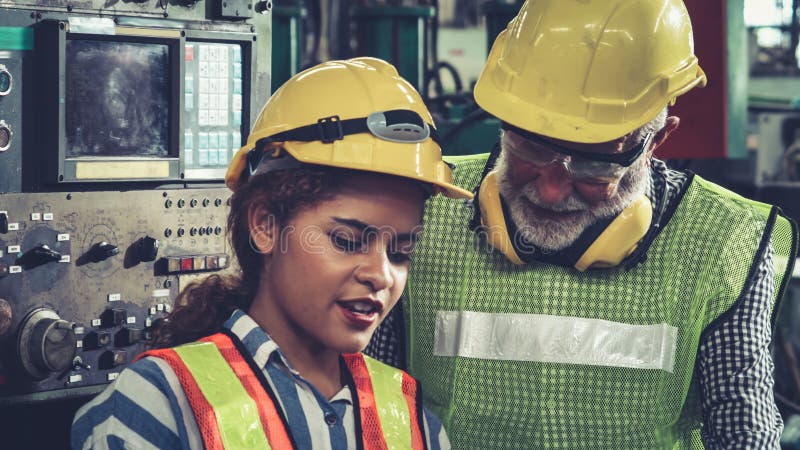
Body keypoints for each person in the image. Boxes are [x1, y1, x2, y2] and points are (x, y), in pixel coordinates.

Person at [366, 0, 798, 448]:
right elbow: (370, 413)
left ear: (658, 139)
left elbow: (744, 434)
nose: (551, 191)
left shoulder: (718, 242)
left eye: (593, 165)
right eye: (531, 149)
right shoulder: (426, 207)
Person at [71, 57, 471, 450]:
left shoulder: (411, 417)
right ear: (265, 225)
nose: (382, 275)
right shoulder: (156, 410)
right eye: (347, 241)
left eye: (400, 252)